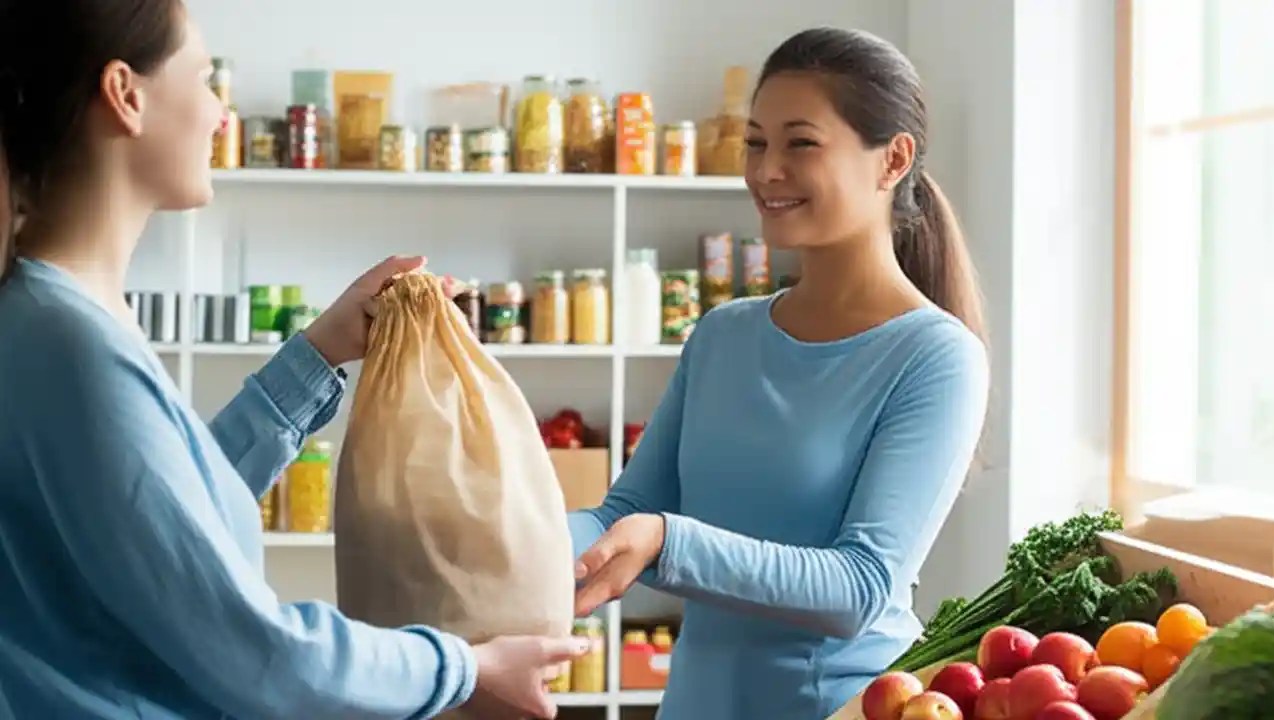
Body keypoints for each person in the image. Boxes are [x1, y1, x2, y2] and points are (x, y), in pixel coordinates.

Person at [0, 1, 583, 718]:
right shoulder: (71, 351)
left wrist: (320, 353)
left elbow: (168, 522)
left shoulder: (53, 316)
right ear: (126, 95)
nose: (220, 112)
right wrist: (462, 666)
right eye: (207, 79)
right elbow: (256, 653)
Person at [569, 26, 991, 719]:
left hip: (838, 707)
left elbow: (860, 586)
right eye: (756, 142)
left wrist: (670, 542)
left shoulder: (935, 357)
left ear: (893, 160)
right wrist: (508, 538)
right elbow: (622, 514)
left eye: (801, 143)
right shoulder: (722, 334)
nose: (766, 170)